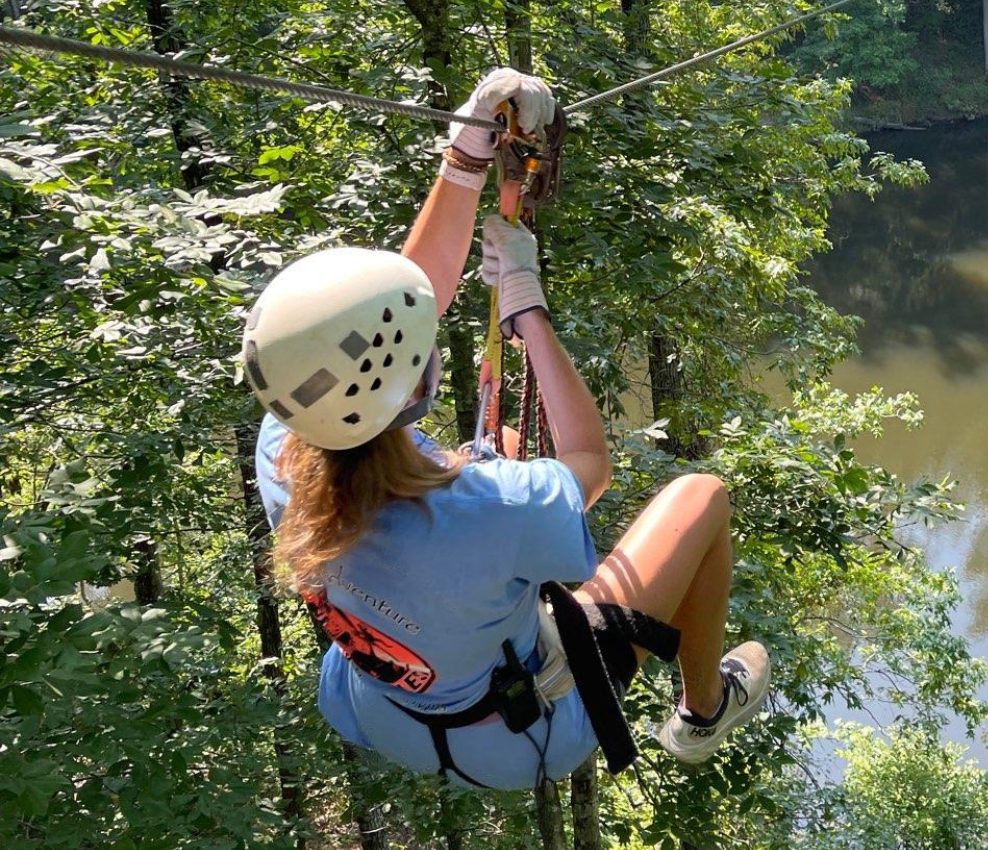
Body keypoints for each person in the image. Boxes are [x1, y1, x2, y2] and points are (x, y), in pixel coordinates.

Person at [241, 68, 770, 789]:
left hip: (382, 708)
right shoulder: (486, 510)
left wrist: (465, 157)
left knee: (510, 451)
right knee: (703, 494)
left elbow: (399, 311)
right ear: (417, 382)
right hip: (519, 737)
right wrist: (528, 308)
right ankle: (704, 710)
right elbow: (590, 461)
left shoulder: (284, 450)